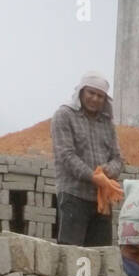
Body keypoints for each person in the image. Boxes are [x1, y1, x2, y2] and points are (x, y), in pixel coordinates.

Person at [51, 73, 124, 246]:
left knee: (100, 255)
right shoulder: (64, 115)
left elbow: (118, 158)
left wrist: (106, 172)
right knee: (72, 254)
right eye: (91, 93)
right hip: (73, 196)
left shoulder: (106, 123)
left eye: (100, 96)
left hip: (101, 201)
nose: (95, 98)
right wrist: (93, 176)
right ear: (82, 92)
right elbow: (66, 156)